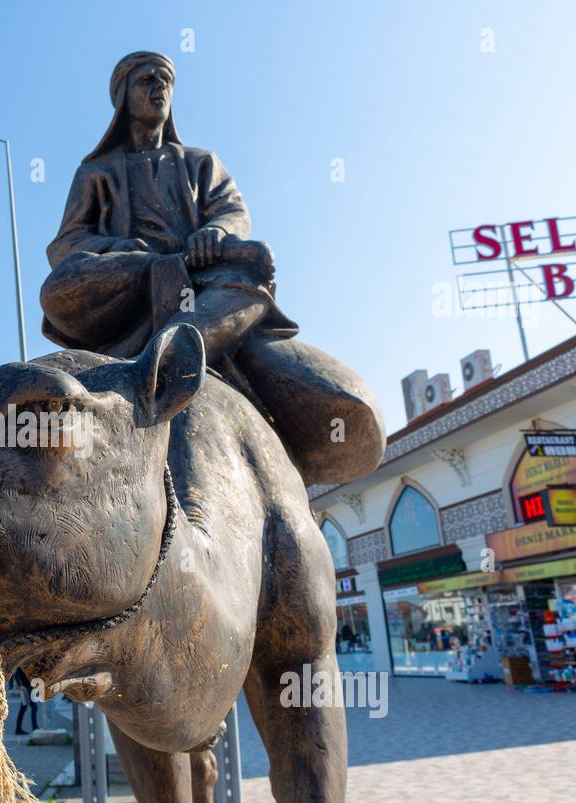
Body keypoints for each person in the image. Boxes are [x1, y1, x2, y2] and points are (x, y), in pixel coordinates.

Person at [41, 51, 385, 486]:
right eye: (146, 79)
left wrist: (217, 234)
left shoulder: (199, 162)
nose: (158, 87)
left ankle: (168, 355)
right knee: (57, 290)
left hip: (204, 281)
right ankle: (179, 342)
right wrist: (127, 251)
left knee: (258, 266)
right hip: (129, 285)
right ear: (123, 96)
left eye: (165, 80)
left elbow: (231, 210)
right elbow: (66, 245)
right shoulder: (96, 172)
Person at [12, 668, 39, 735]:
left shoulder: (26, 664)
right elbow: (16, 675)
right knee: (33, 707)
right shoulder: (22, 665)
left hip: (28, 689)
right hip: (25, 690)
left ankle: (18, 729)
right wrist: (20, 685)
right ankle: (34, 727)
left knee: (24, 709)